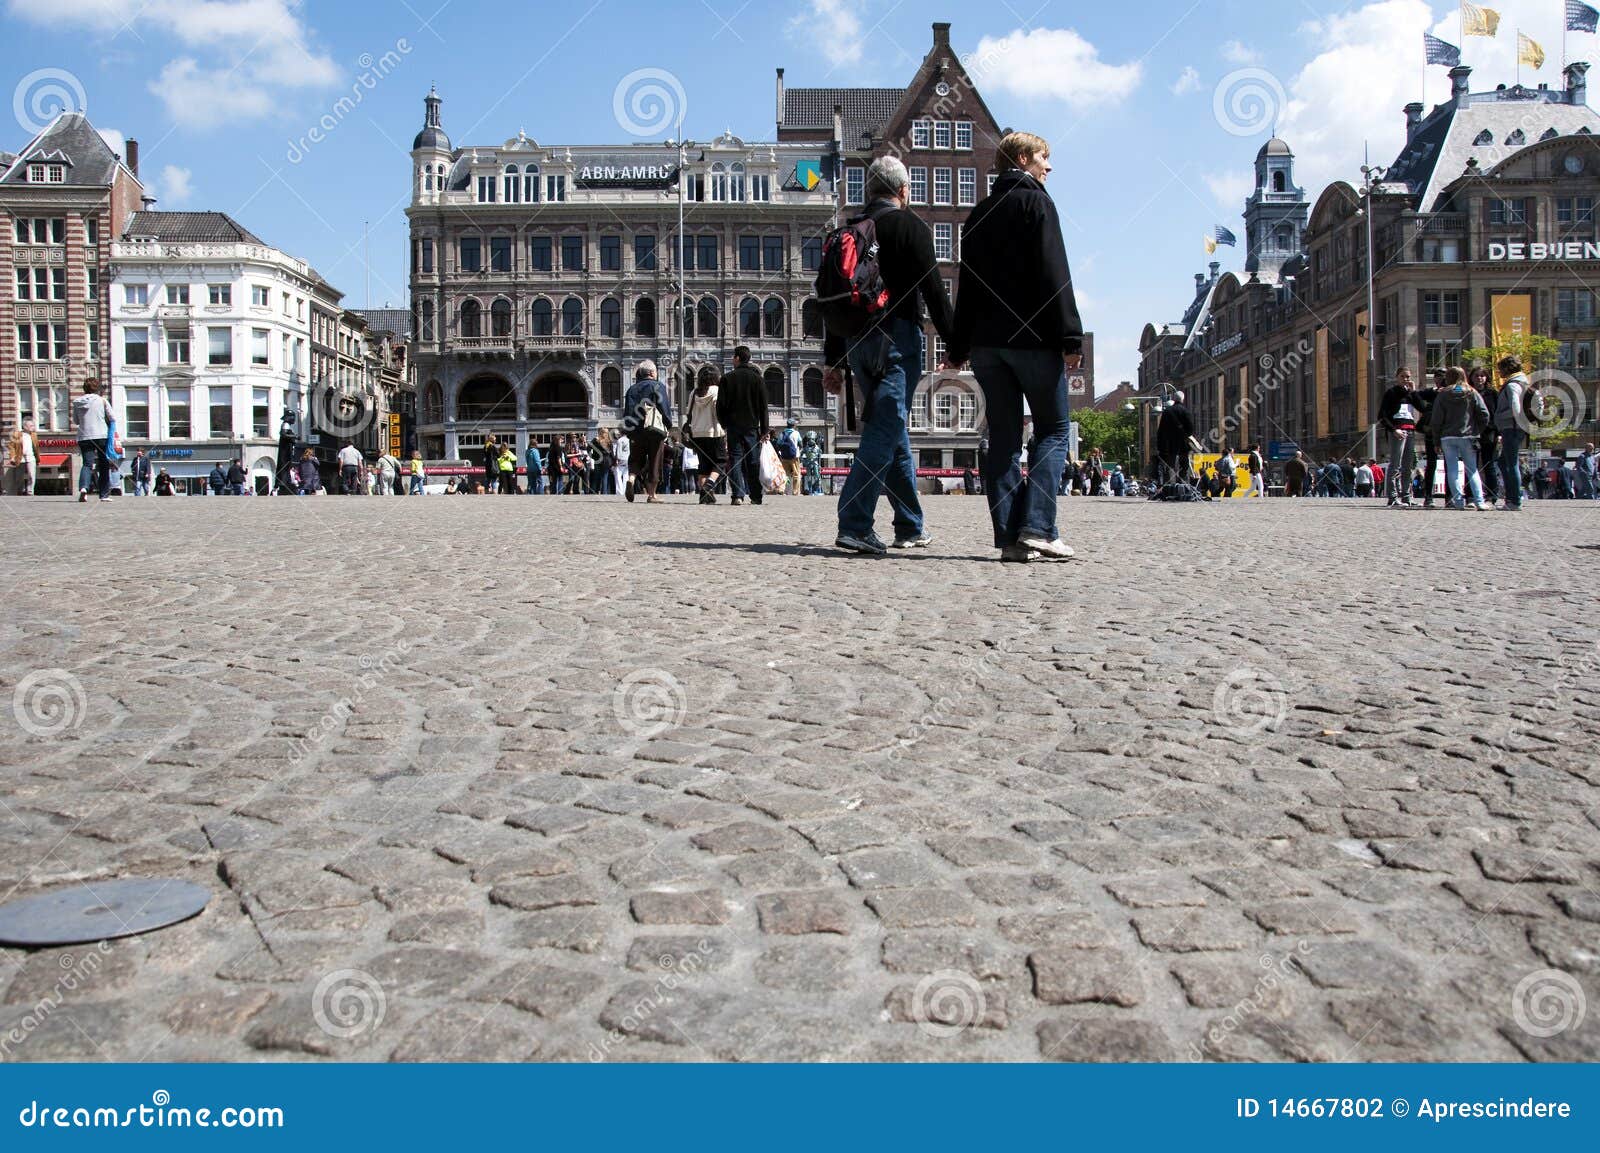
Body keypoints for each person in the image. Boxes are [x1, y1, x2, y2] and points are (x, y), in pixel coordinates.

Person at [824, 155, 955, 554]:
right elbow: (934, 290)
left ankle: (910, 525)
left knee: (893, 430)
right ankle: (855, 522)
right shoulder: (910, 226)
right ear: (902, 191)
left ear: (869, 191)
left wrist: (833, 359)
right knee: (885, 427)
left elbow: (832, 299)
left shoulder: (849, 229)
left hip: (857, 342)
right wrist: (955, 343)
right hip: (897, 338)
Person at [1431, 365, 1491, 510]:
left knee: (1452, 469)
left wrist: (1436, 440)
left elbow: (1436, 420)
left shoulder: (1443, 394)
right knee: (1472, 469)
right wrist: (1478, 429)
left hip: (1447, 437)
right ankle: (1479, 501)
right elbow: (1485, 414)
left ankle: (1457, 501)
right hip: (1468, 435)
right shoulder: (1472, 392)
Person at [716, 346, 768, 506]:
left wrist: (724, 423)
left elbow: (720, 406)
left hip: (733, 426)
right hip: (752, 427)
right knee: (753, 461)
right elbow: (763, 406)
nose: (732, 360)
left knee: (735, 459)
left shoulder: (727, 378)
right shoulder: (757, 379)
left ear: (737, 358)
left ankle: (737, 495)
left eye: (733, 357)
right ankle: (756, 495)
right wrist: (764, 429)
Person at [622, 360, 673, 503]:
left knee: (636, 458)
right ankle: (652, 494)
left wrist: (629, 430)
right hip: (654, 430)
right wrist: (667, 424)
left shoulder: (631, 389)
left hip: (636, 430)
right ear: (651, 373)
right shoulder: (658, 386)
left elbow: (627, 411)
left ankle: (631, 479)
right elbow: (664, 407)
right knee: (655, 460)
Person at [1493, 355, 1538, 512]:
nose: (1499, 372)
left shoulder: (1513, 385)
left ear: (1507, 368)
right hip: (1514, 428)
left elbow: (1515, 408)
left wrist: (1500, 417)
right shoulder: (1523, 382)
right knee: (1503, 462)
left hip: (1511, 428)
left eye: (1500, 369)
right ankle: (1512, 498)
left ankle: (1514, 500)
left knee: (1511, 464)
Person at [684, 367, 725, 504]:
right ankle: (710, 483)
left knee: (704, 465)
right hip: (714, 431)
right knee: (720, 461)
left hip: (697, 433)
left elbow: (688, 413)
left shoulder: (694, 393)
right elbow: (719, 412)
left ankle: (705, 495)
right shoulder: (717, 391)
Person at [72, 378, 114, 503]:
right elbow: (112, 417)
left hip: (84, 436)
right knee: (103, 464)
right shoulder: (102, 401)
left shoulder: (77, 402)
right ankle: (104, 494)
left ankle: (84, 489)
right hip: (101, 435)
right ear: (97, 388)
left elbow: (76, 421)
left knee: (87, 464)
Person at [1470, 366, 1502, 507]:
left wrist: (1499, 433)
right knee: (1472, 465)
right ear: (1471, 378)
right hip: (1472, 432)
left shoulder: (1492, 393)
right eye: (1476, 376)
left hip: (1489, 432)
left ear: (1486, 377)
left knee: (1489, 464)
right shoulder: (1468, 392)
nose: (1479, 378)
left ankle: (1491, 494)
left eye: (1482, 376)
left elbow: (1498, 413)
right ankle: (1471, 495)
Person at [1154, 391, 1194, 487]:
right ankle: (1182, 486)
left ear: (1174, 399)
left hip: (1169, 443)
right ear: (1182, 399)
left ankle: (1169, 487)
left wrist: (1160, 445)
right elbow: (1190, 429)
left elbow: (1161, 430)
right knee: (1184, 465)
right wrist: (1184, 435)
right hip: (1182, 443)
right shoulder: (1185, 411)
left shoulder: (1167, 412)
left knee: (1169, 466)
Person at [8, 420, 37, 495]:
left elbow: (36, 447)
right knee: (19, 477)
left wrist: (37, 458)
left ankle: (30, 491)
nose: (33, 427)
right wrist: (12, 457)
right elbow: (12, 446)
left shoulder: (34, 435)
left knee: (31, 474)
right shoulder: (17, 435)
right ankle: (20, 491)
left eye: (33, 425)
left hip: (31, 457)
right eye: (31, 426)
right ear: (25, 427)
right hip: (20, 457)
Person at [776, 418, 804, 495]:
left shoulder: (782, 433)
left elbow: (778, 444)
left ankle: (782, 490)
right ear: (794, 425)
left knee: (785, 474)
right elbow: (801, 445)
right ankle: (795, 492)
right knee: (796, 474)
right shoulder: (796, 433)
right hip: (794, 457)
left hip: (784, 457)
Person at [801, 432, 822, 496]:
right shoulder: (805, 448)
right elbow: (800, 455)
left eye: (812, 439)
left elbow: (819, 457)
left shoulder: (817, 448)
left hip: (815, 463)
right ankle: (810, 489)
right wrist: (803, 461)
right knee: (809, 477)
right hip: (808, 463)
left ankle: (817, 489)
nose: (811, 440)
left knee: (817, 476)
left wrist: (819, 465)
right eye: (809, 439)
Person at [613, 431, 630, 498]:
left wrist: (617, 459)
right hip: (627, 459)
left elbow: (618, 451)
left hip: (621, 459)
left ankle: (620, 491)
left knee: (618, 475)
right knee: (625, 476)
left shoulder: (620, 440)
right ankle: (624, 489)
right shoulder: (629, 439)